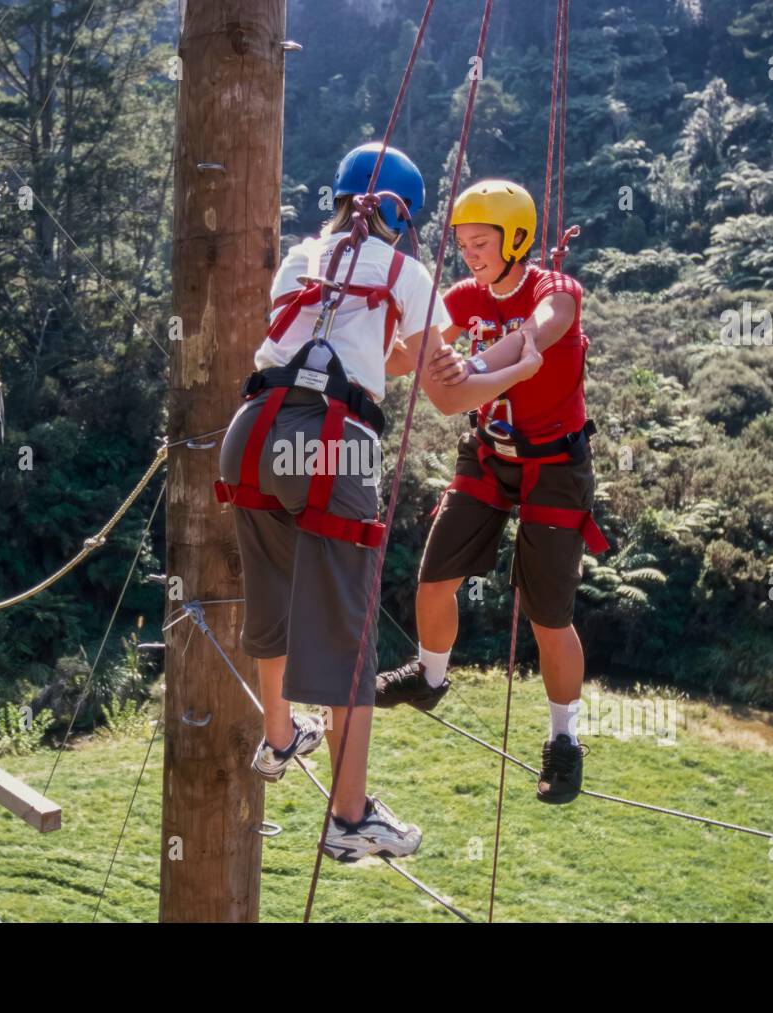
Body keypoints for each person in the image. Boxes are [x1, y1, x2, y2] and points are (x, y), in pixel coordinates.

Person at [215, 146, 541, 861]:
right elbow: (447, 394)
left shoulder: (299, 258)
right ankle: (351, 815)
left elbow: (338, 342)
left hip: (251, 434)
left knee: (271, 597)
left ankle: (278, 736)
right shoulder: (409, 271)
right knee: (348, 637)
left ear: (337, 198)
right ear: (401, 213)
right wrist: (517, 364)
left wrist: (424, 352)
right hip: (334, 443)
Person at [376, 178, 608, 805]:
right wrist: (347, 353)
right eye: (464, 243)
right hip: (488, 453)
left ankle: (564, 742)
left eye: (482, 242)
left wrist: (474, 366)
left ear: (517, 240)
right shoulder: (463, 297)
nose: (471, 254)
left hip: (555, 464)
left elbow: (544, 329)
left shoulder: (554, 289)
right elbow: (409, 354)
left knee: (547, 614)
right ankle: (430, 676)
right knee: (434, 574)